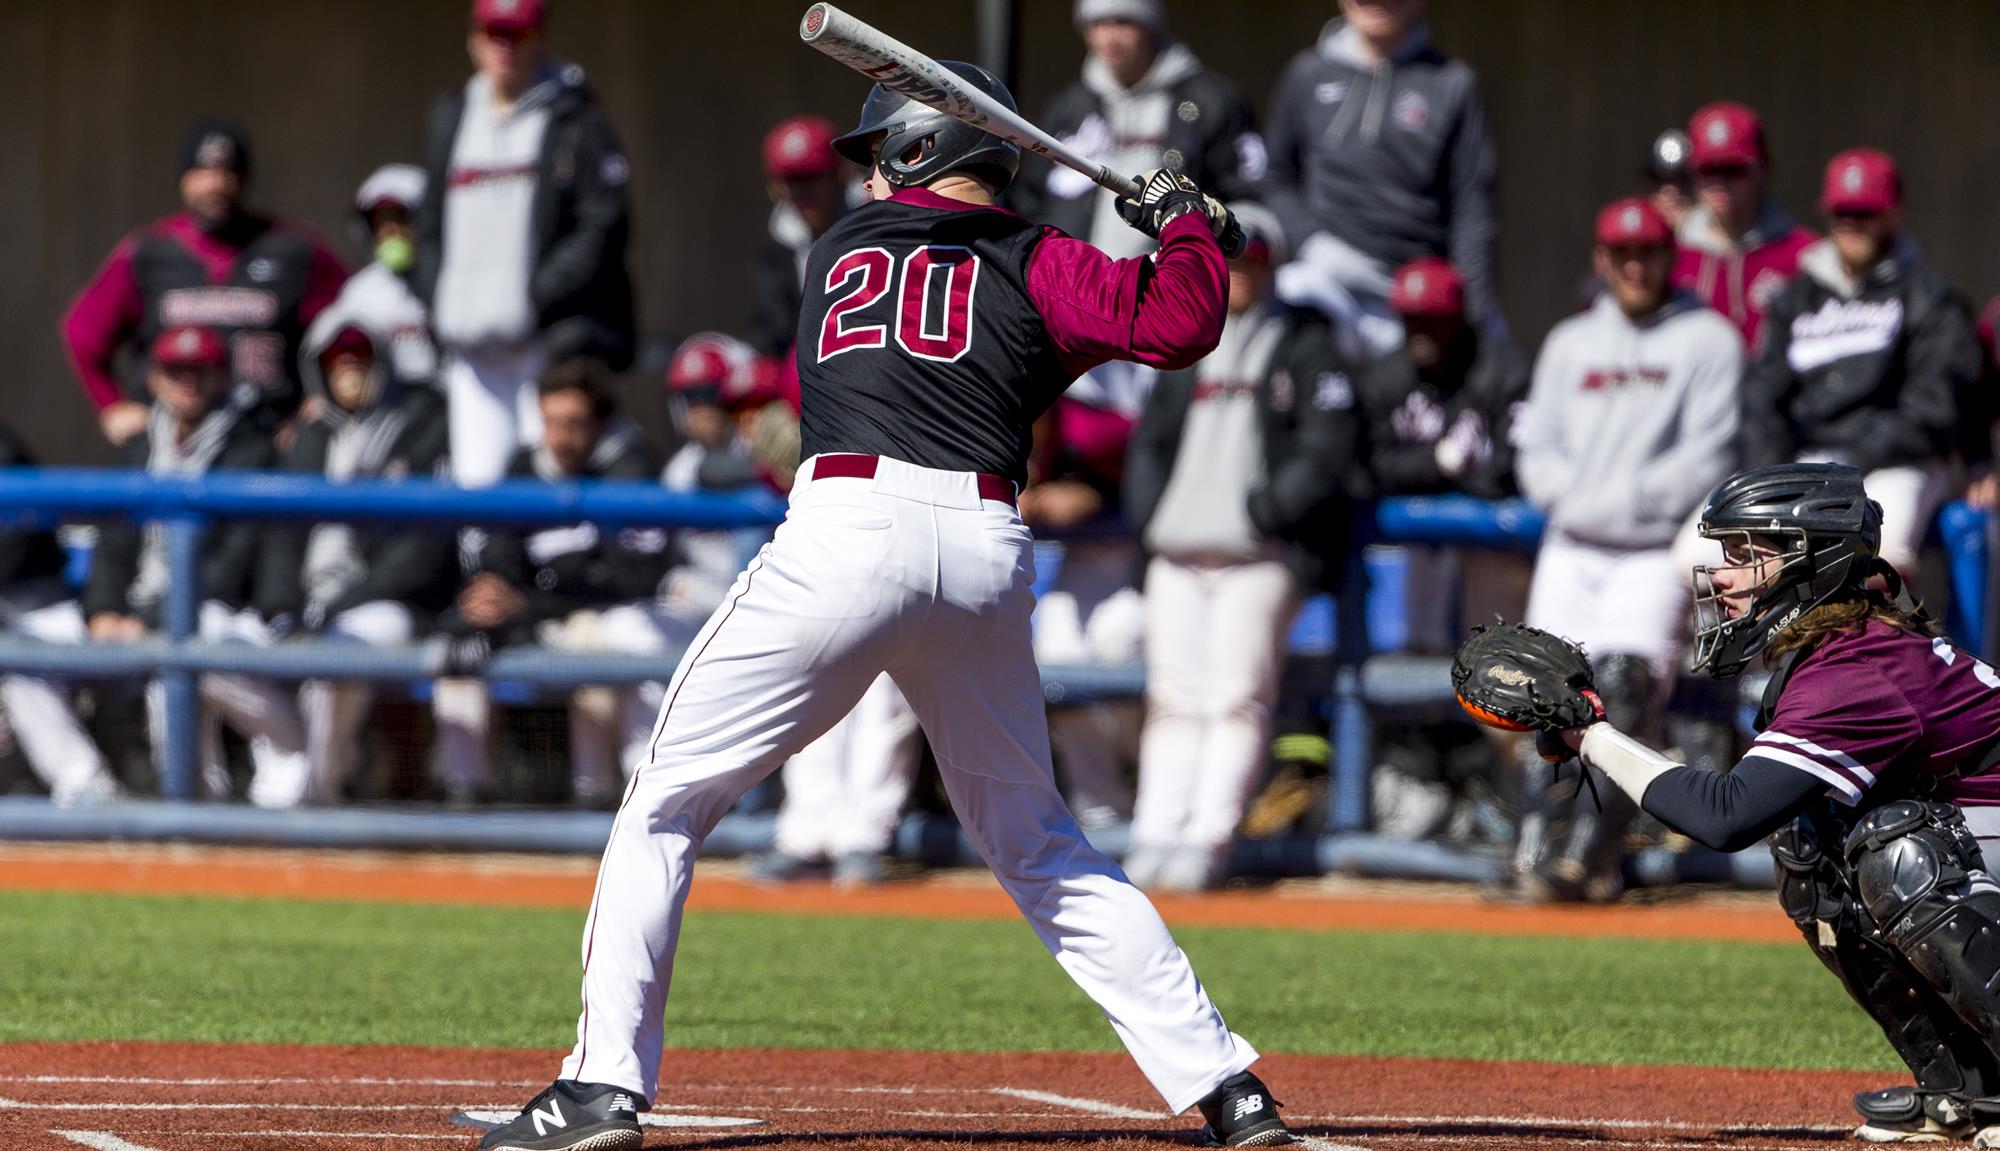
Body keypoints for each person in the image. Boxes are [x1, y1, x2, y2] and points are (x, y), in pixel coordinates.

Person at [477, 62, 1293, 1151]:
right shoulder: (1040, 256)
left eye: (880, 156)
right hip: (981, 547)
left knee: (664, 801)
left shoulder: (834, 253)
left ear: (915, 152)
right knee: (1038, 840)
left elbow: (961, 307)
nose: (868, 178)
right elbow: (1180, 324)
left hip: (846, 533)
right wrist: (1184, 228)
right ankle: (1228, 1085)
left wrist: (1142, 233)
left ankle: (600, 1089)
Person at [1530, 463, 2000, 1145]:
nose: (1721, 575)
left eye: (1749, 555)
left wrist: (1590, 734)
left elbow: (1725, 815)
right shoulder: (1837, 648)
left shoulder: (1856, 668)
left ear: (1817, 562)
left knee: (1901, 851)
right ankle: (1969, 1088)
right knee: (1812, 845)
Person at [1506, 197, 1742, 902]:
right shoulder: (1569, 341)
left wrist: (1614, 499)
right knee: (1542, 695)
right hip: (1572, 545)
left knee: (1623, 688)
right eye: (1623, 253)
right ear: (1601, 259)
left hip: (1650, 547)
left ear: (1672, 256)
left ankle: (1589, 856)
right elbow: (1536, 452)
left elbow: (1708, 456)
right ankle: (1536, 845)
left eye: (1650, 252)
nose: (1637, 265)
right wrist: (1578, 501)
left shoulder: (1708, 338)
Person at [1123, 201, 1358, 891]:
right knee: (1170, 699)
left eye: (1252, 258)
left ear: (1274, 263)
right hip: (1177, 552)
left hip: (1258, 556)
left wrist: (1266, 511)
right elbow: (1150, 445)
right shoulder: (1184, 335)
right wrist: (1150, 516)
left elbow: (1327, 446)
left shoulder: (1306, 340)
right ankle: (1154, 833)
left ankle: (1207, 838)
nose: (1240, 270)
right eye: (1229, 257)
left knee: (1235, 698)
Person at [67, 327, 307, 805]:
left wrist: (148, 619)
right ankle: (89, 783)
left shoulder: (251, 448)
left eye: (199, 371)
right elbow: (113, 546)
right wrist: (103, 610)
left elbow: (233, 564)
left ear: (220, 378)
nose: (187, 382)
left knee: (185, 651)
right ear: (154, 379)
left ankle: (282, 758)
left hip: (229, 613)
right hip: (144, 615)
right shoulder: (138, 449)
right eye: (176, 371)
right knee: (31, 651)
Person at [434, 359, 677, 806]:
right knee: (458, 647)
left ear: (601, 424)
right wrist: (490, 589)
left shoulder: (633, 467)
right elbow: (500, 551)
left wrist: (527, 602)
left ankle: (600, 797)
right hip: (533, 615)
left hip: (597, 617)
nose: (560, 437)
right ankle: (463, 795)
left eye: (574, 424)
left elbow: (629, 579)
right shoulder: (526, 465)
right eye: (550, 422)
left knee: (600, 646)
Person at [415, 0, 635, 487]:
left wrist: (533, 297)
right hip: (471, 353)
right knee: (477, 493)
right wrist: (440, 302)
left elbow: (605, 225)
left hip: (545, 343)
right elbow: (427, 223)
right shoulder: (452, 114)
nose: (505, 45)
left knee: (551, 485)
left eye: (519, 33)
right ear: (473, 37)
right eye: (494, 32)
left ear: (542, 37)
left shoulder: (576, 117)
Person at [1740, 148, 1977, 580]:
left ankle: (1871, 649)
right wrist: (1772, 471)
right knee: (1701, 552)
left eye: (1865, 212)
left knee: (1872, 557)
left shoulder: (1931, 297)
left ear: (1893, 214)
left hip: (1897, 463)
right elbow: (1761, 397)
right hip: (1804, 462)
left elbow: (1936, 405)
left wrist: (1853, 454)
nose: (1851, 224)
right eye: (1841, 212)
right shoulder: (1796, 298)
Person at [1357, 254, 1529, 837]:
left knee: (1498, 676)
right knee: (1417, 665)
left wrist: (1440, 476)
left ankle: (1509, 802)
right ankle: (1429, 784)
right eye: (1410, 320)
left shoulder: (1499, 367)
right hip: (1414, 559)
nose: (1420, 333)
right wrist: (1441, 463)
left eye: (1433, 320)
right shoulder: (1385, 377)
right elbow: (1372, 467)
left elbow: (1510, 470)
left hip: (1493, 557)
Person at [255, 322, 455, 804]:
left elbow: (418, 553)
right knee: (218, 648)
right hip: (308, 602)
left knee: (340, 650)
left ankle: (318, 792)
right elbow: (281, 535)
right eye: (338, 365)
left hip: (384, 602)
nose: (349, 373)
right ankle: (294, 766)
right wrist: (281, 604)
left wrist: (336, 606)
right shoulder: (312, 434)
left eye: (359, 363)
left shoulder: (419, 422)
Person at [61, 120, 347, 444]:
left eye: (227, 172)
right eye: (203, 172)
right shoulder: (149, 253)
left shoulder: (293, 250)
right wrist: (112, 407)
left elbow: (354, 325)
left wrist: (324, 401)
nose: (216, 184)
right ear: (184, 178)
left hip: (267, 446)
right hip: (171, 448)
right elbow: (82, 334)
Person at [1264, 0, 1500, 356]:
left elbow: (1473, 209)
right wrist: (1310, 242)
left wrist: (1474, 312)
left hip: (1410, 295)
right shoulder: (1306, 73)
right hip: (1321, 277)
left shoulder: (1453, 83)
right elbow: (1273, 176)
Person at [1009, 0, 1261, 262]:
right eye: (1097, 24)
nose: (1110, 37)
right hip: (1075, 282)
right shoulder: (1069, 107)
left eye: (1123, 22)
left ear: (1151, 25)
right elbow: (1030, 197)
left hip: (1167, 282)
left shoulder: (1213, 101)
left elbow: (1246, 197)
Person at [0, 423, 119, 806]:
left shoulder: (4, 448)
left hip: (41, 607)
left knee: (21, 658)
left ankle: (87, 785)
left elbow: (19, 544)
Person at [1672, 101, 1816, 349]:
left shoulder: (1804, 255)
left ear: (1763, 170)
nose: (1720, 182)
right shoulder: (1670, 254)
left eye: (1733, 169)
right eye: (1708, 170)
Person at [746, 116, 860, 393]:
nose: (802, 192)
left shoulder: (876, 228)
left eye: (811, 177)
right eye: (792, 180)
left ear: (840, 174)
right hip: (806, 391)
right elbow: (769, 339)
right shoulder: (775, 256)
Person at [302, 165, 438, 395]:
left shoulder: (449, 285)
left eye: (401, 219)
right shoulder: (361, 292)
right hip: (387, 411)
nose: (391, 231)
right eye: (381, 223)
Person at [1645, 128, 1693, 233]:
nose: (1671, 191)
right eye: (1660, 180)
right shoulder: (1638, 245)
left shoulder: (1718, 242)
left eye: (1681, 179)